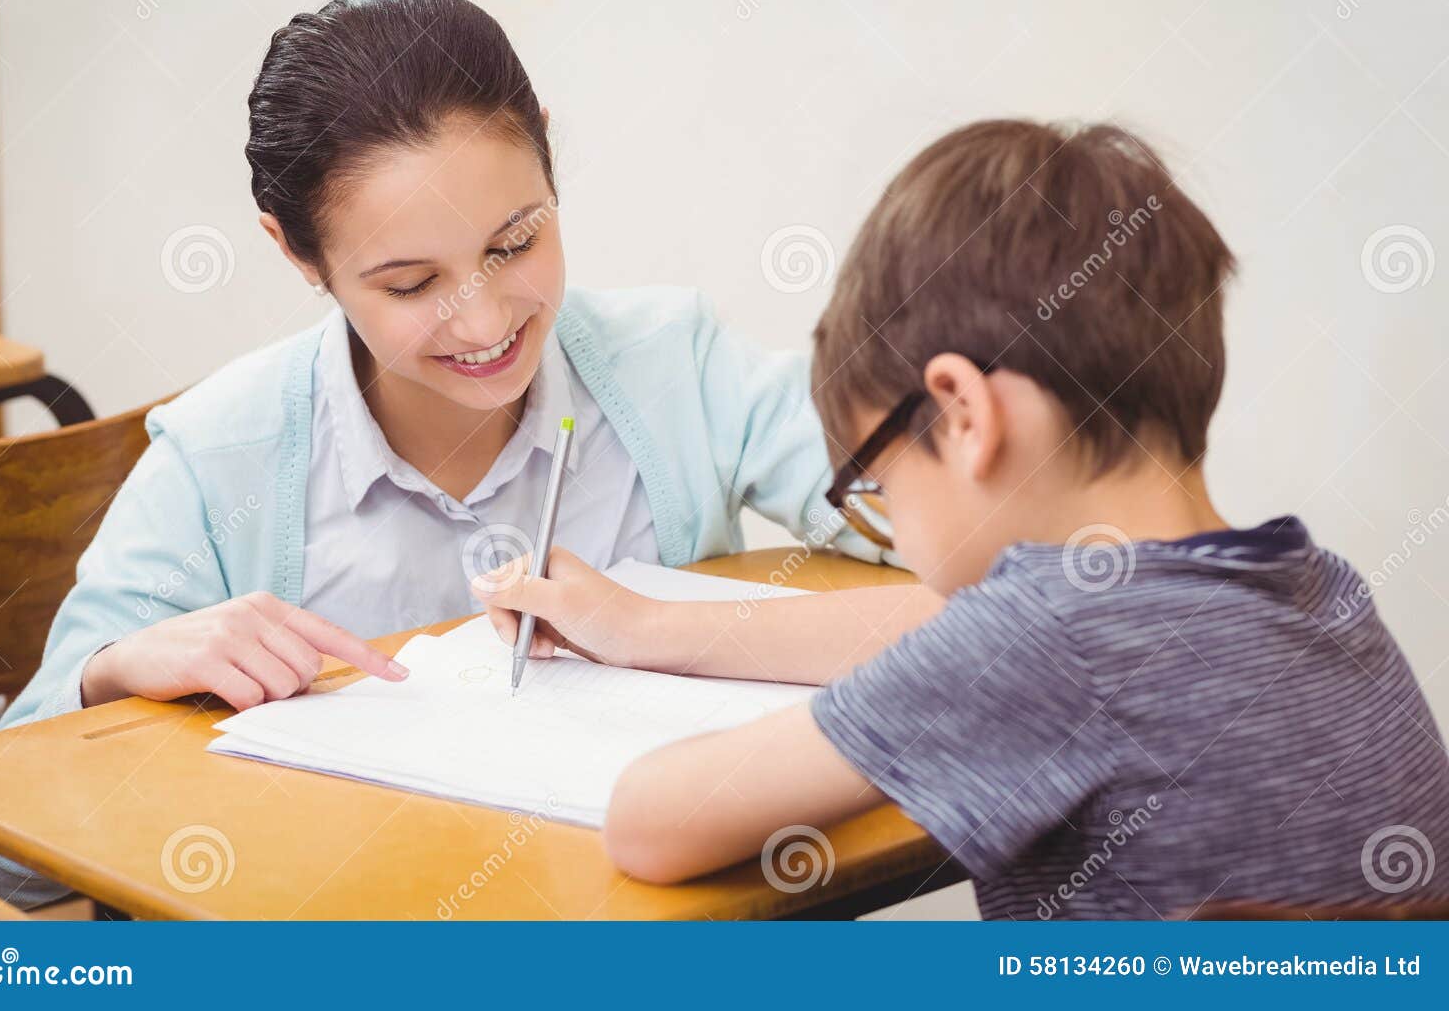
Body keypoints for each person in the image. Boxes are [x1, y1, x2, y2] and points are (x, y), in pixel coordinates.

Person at [0, 0, 898, 904]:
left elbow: (956, 530)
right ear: (299, 256)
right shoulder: (221, 454)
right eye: (412, 282)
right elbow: (11, 837)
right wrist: (113, 674)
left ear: (545, 151)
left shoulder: (673, 367)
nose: (487, 319)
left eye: (515, 243)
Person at [474, 119, 1449, 919]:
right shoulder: (1311, 587)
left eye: (877, 483)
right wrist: (647, 628)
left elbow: (652, 821)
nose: (886, 518)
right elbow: (945, 626)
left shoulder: (1051, 645)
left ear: (963, 416)